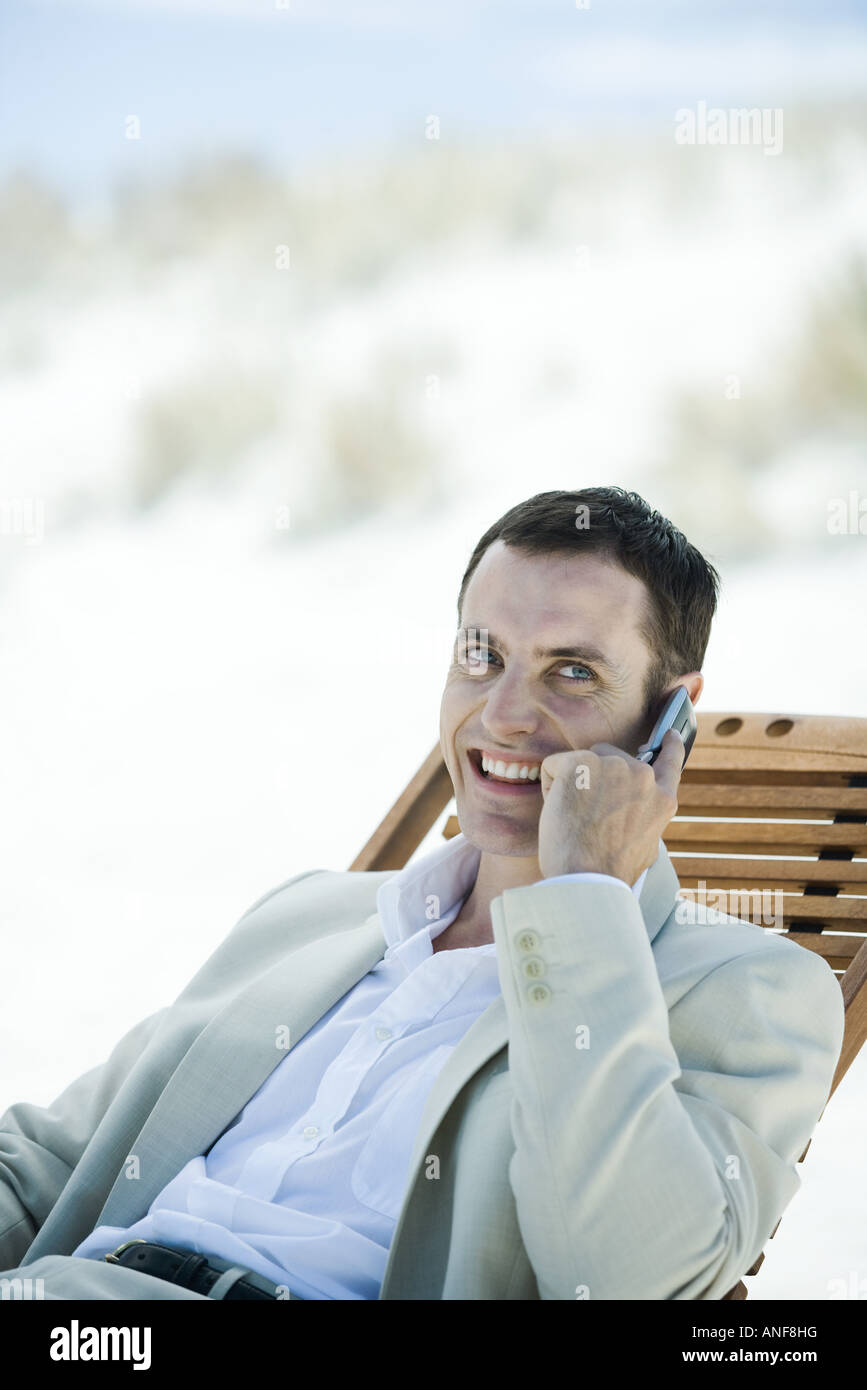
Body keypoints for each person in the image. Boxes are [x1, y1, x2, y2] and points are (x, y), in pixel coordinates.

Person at [0, 486, 844, 1300]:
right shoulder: (309, 915)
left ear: (672, 717)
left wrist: (585, 897)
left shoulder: (750, 994)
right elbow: (46, 1162)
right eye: (483, 657)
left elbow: (627, 1278)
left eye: (573, 672)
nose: (504, 715)